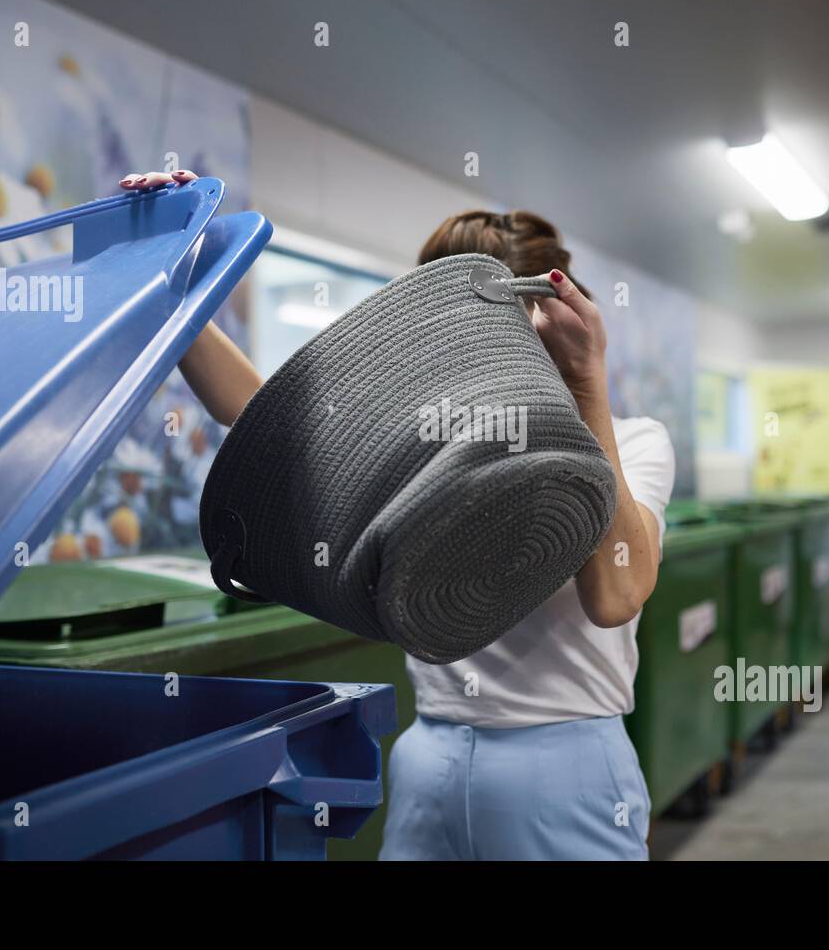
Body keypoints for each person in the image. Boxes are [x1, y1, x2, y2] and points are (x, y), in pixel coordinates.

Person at [120, 170, 675, 860]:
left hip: (565, 763)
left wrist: (586, 381)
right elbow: (261, 417)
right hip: (430, 755)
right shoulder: (419, 442)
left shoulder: (637, 440)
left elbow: (615, 596)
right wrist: (177, 272)